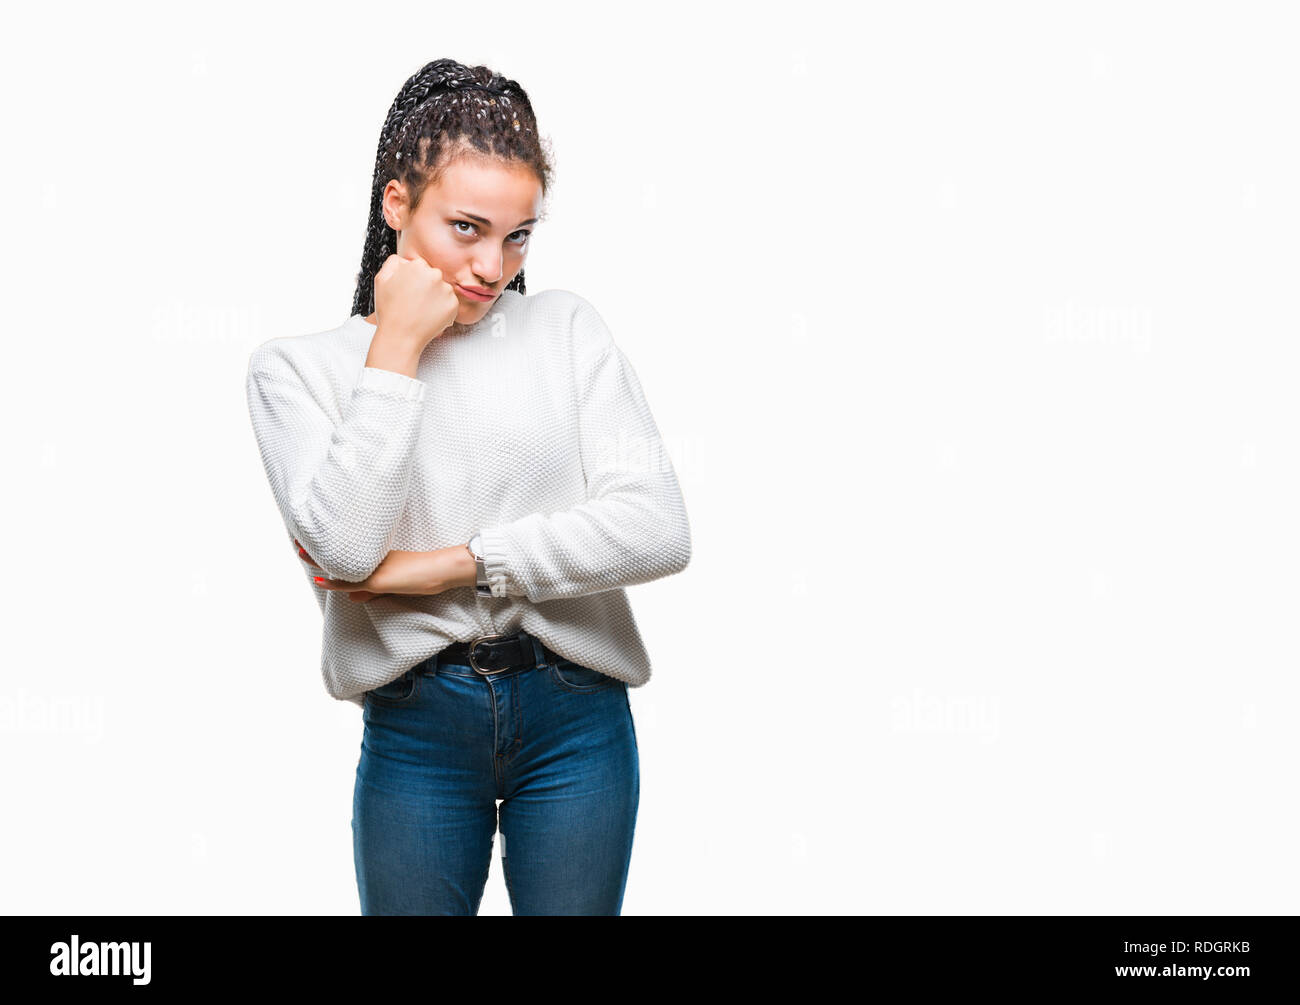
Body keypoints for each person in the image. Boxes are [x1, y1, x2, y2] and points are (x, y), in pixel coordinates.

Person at [243, 58, 691, 915]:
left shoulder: (564, 329)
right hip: (417, 729)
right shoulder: (297, 371)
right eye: (466, 228)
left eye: (518, 235)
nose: (493, 265)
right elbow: (343, 546)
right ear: (395, 206)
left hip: (576, 718)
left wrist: (454, 564)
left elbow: (658, 527)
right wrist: (398, 348)